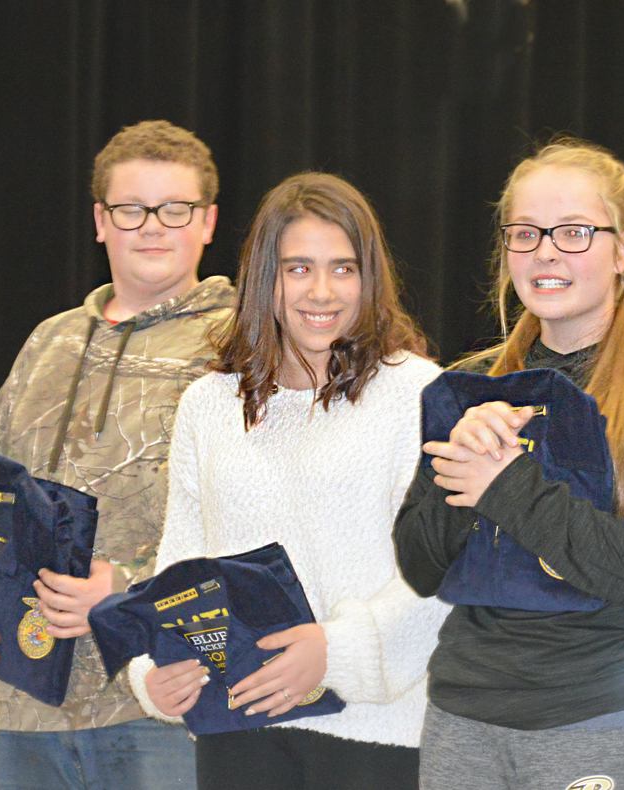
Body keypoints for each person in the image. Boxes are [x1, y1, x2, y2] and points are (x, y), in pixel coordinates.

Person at [393, 139, 624, 790]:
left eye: (573, 232)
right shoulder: (468, 386)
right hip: (464, 718)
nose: (545, 252)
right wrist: (455, 469)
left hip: (606, 718)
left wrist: (508, 485)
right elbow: (420, 565)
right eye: (525, 233)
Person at [0, 120, 234, 789]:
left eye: (175, 209)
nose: (152, 227)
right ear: (100, 221)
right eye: (131, 209)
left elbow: (260, 528)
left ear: (207, 222)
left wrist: (126, 586)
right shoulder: (50, 342)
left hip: (167, 705)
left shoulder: (244, 348)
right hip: (30, 709)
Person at [136, 172, 447, 790]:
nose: (321, 291)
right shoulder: (208, 404)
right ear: (264, 279)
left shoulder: (417, 393)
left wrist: (336, 651)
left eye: (343, 268)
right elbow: (180, 565)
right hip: (238, 729)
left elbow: (439, 575)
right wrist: (154, 670)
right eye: (298, 268)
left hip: (377, 735)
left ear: (370, 278)